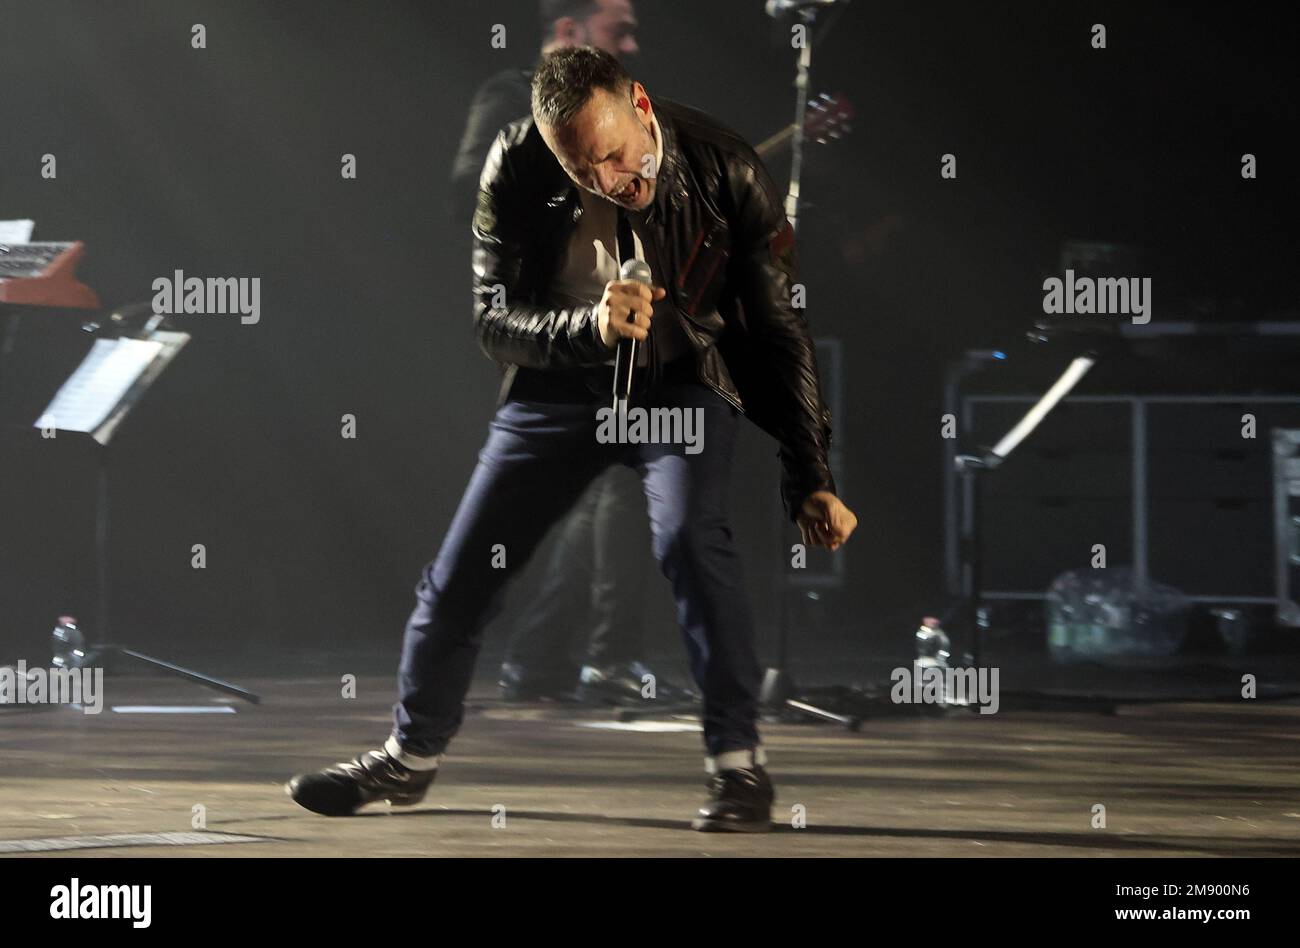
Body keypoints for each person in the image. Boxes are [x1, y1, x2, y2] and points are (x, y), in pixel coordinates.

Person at [288, 46, 857, 832]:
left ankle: (739, 769)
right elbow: (493, 322)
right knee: (460, 574)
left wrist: (811, 476)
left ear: (643, 108)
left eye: (614, 156)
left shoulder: (726, 165)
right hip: (560, 384)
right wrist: (587, 327)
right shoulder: (517, 161)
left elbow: (778, 328)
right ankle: (408, 760)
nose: (604, 180)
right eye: (580, 169)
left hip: (682, 381)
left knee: (692, 541)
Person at [451, 0, 670, 704]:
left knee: (602, 489)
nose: (633, 43)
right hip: (544, 330)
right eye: (619, 31)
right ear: (569, 34)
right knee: (612, 486)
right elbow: (468, 195)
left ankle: (540, 660)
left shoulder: (623, 112)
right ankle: (600, 661)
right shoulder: (510, 98)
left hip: (605, 328)